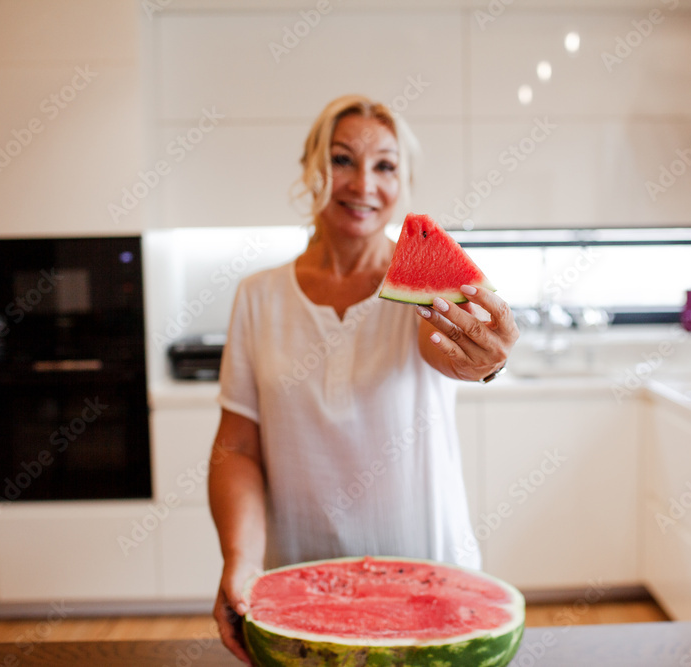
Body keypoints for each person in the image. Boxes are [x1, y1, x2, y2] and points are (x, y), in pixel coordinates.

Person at [207, 94, 519, 663]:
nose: (363, 185)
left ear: (404, 182)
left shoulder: (419, 282)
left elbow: (445, 348)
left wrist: (483, 361)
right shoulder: (258, 296)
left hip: (429, 573)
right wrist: (239, 559)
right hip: (302, 576)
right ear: (311, 169)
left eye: (386, 166)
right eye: (343, 159)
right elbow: (237, 446)